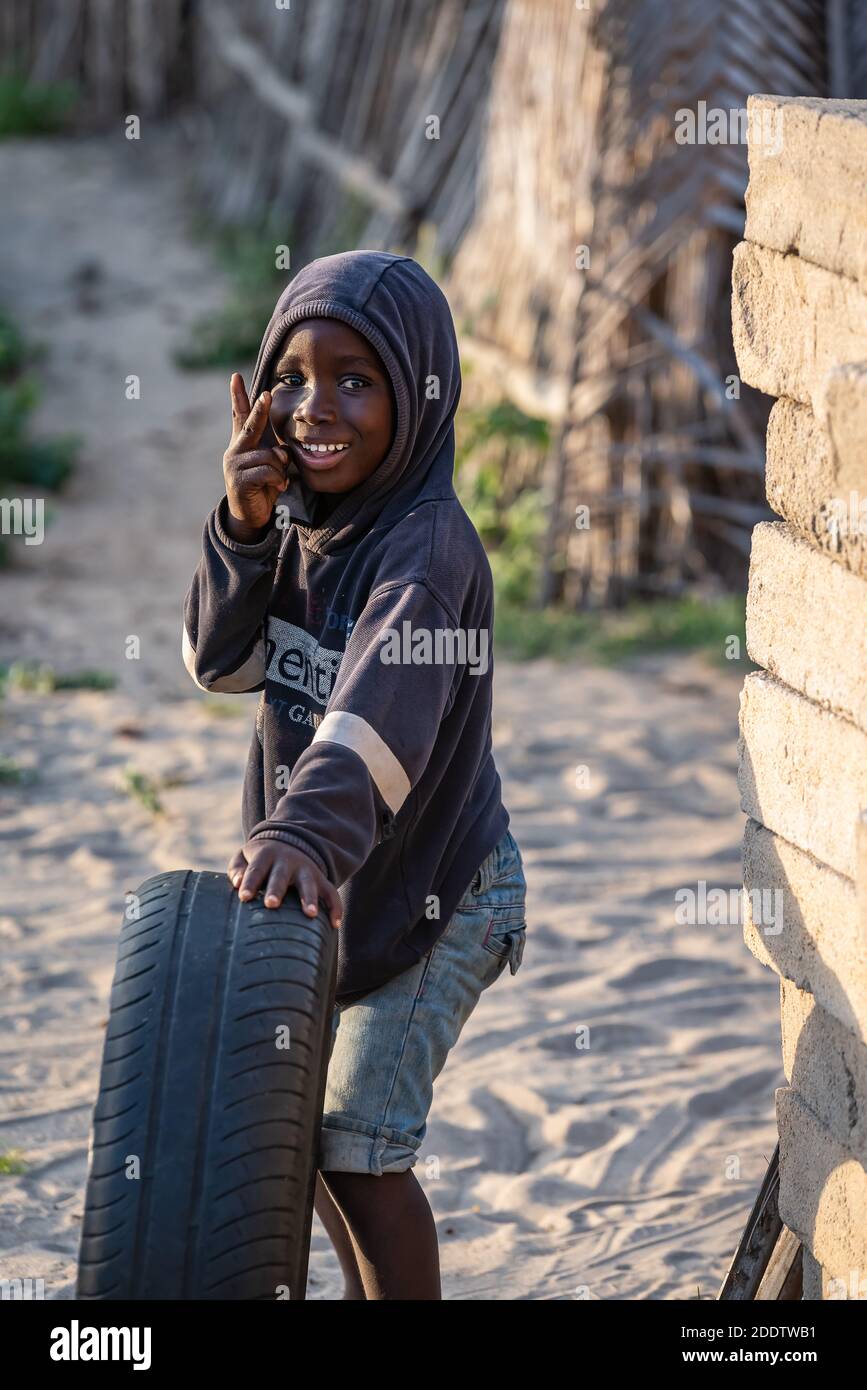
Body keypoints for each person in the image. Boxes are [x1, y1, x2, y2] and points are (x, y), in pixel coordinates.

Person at [182, 250, 528, 1300]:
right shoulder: (295, 521)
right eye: (290, 377)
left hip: (440, 896)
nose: (314, 406)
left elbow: (378, 718)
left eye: (356, 380)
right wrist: (240, 533)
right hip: (335, 887)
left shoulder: (427, 552)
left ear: (421, 396)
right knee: (307, 1143)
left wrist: (298, 833)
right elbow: (222, 663)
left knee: (358, 1151)